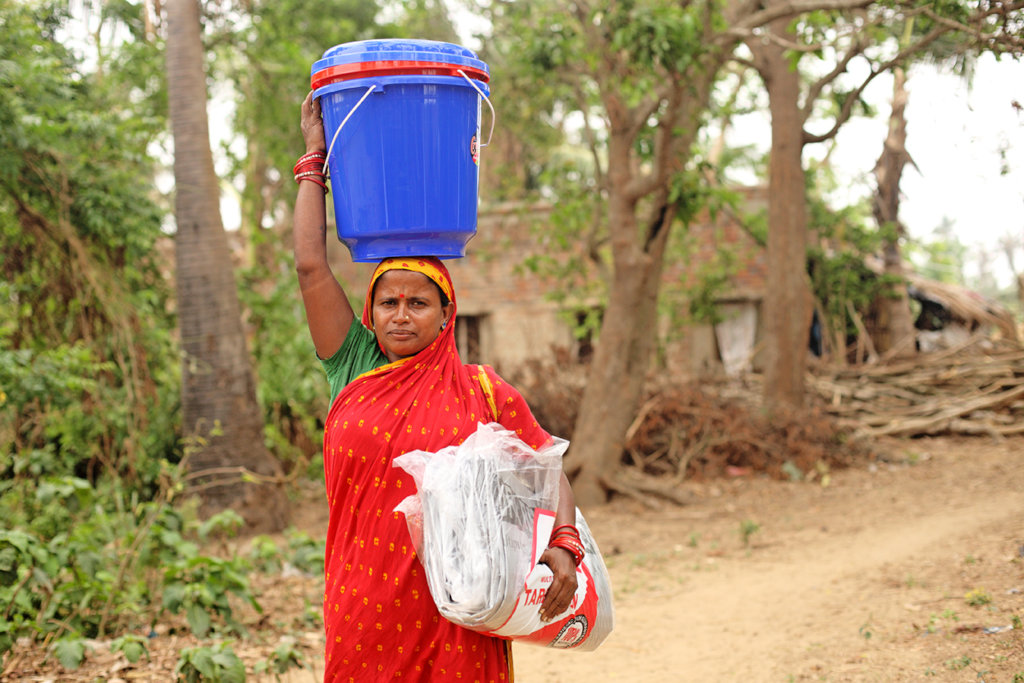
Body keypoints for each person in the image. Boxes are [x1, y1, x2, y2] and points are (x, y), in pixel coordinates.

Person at [294, 91, 582, 682]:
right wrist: (314, 159)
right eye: (388, 302)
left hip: (463, 606)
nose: (402, 314)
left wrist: (566, 545)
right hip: (364, 603)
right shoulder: (353, 366)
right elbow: (310, 266)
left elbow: (550, 472)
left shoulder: (485, 392)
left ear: (447, 314)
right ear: (368, 312)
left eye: (418, 302)